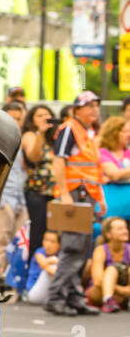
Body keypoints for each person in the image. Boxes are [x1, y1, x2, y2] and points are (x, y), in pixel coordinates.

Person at [49, 91, 105, 316]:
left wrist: (100, 198)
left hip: (86, 195)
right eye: (89, 105)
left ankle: (73, 296)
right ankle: (56, 297)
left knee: (82, 248)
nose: (94, 109)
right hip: (74, 194)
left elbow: (92, 169)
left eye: (96, 105)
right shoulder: (70, 128)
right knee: (73, 247)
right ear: (77, 109)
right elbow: (58, 161)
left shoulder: (86, 132)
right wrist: (64, 194)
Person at [0, 101, 30, 281]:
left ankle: (10, 282)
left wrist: (22, 203)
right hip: (3, 199)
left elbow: (19, 175)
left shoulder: (19, 141)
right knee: (0, 242)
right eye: (12, 118)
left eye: (19, 118)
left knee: (17, 244)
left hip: (18, 200)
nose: (16, 122)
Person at [22, 103, 55, 263]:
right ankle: (32, 269)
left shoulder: (54, 138)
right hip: (37, 192)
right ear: (32, 119)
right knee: (37, 233)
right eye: (40, 115)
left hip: (55, 194)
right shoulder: (30, 135)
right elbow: (34, 157)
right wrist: (41, 133)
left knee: (53, 234)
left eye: (47, 114)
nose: (44, 118)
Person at [88, 217, 130, 312]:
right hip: (101, 292)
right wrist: (121, 291)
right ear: (108, 234)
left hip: (123, 292)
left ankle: (113, 300)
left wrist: (121, 290)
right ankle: (109, 300)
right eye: (120, 229)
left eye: (125, 228)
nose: (125, 231)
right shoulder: (100, 250)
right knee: (112, 270)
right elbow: (98, 280)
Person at [98, 115, 130, 221]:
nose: (129, 135)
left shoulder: (127, 152)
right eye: (125, 131)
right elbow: (114, 174)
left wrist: (118, 176)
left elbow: (114, 176)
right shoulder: (103, 153)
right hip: (112, 210)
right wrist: (116, 176)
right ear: (113, 133)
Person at [24, 230, 60, 305]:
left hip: (47, 294)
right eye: (46, 240)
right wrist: (54, 260)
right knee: (51, 268)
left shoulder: (60, 254)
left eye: (52, 242)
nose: (48, 244)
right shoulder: (39, 252)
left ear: (59, 245)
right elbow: (43, 263)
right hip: (34, 293)